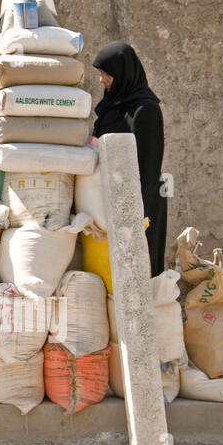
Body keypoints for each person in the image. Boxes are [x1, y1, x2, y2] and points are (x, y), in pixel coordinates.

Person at [92, 41, 167, 276]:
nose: (102, 80)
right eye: (101, 73)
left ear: (124, 73)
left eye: (107, 74)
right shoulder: (111, 106)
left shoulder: (145, 111)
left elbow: (148, 165)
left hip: (139, 202)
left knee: (140, 267)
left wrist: (136, 214)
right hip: (112, 197)